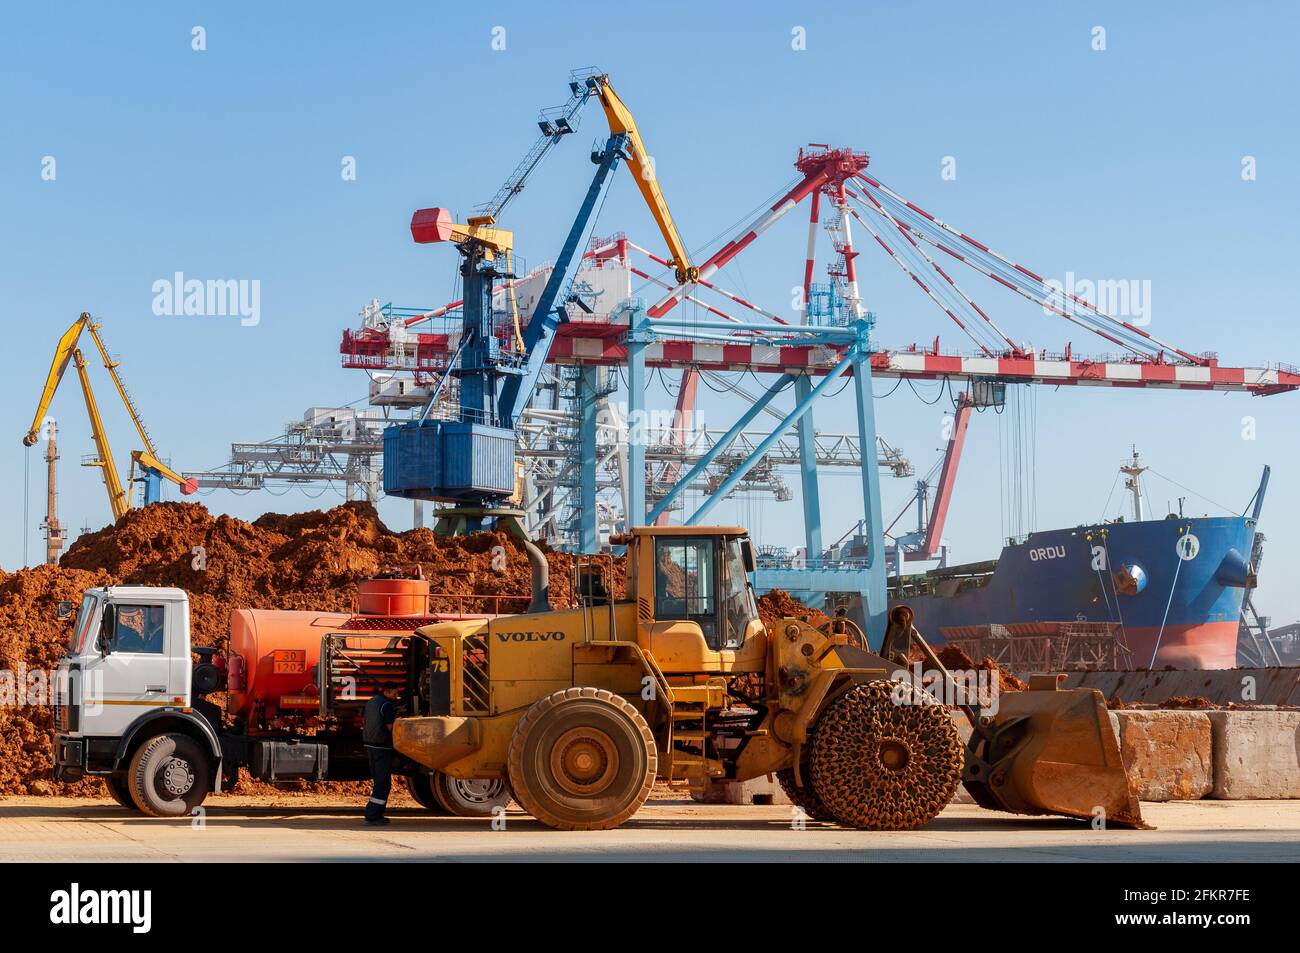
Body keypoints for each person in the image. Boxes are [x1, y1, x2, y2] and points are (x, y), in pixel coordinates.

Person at [363, 686, 401, 825]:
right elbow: (390, 727)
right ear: (387, 691)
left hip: (370, 745)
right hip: (382, 746)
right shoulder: (387, 705)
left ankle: (373, 814)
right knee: (383, 783)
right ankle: (373, 815)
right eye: (395, 693)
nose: (397, 696)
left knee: (378, 780)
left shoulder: (372, 701)